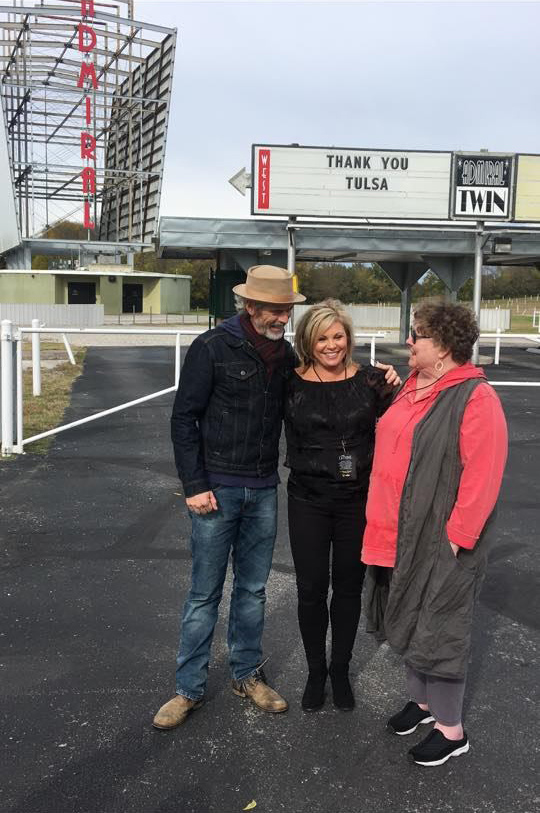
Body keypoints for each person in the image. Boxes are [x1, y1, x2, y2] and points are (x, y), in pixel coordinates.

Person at [153, 265, 306, 730]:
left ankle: (246, 675)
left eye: (286, 310)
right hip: (216, 489)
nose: (281, 317)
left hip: (263, 489)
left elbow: (313, 399)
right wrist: (195, 485)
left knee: (253, 591)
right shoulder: (212, 347)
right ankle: (188, 690)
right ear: (251, 306)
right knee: (203, 595)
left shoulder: (286, 356)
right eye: (275, 309)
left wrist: (375, 386)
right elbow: (184, 419)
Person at [361, 301, 508, 766]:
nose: (408, 340)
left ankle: (451, 729)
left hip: (438, 538)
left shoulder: (475, 398)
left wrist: (456, 538)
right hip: (398, 531)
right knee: (407, 614)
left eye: (417, 335)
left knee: (440, 627)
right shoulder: (414, 385)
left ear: (442, 346)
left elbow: (483, 475)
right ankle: (423, 705)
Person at [284, 299, 400, 712]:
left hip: (357, 502)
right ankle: (316, 671)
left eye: (338, 336)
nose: (331, 345)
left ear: (348, 339)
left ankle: (340, 669)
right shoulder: (289, 381)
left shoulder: (374, 382)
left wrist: (400, 379)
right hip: (307, 500)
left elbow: (405, 425)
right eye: (322, 338)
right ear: (307, 342)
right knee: (311, 589)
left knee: (348, 588)